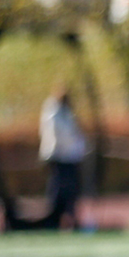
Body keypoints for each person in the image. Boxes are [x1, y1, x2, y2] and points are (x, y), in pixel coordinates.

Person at [38, 89, 87, 230]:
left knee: (72, 190)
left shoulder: (66, 113)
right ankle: (55, 218)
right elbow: (62, 135)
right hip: (59, 157)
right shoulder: (53, 113)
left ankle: (70, 216)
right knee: (59, 189)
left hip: (71, 157)